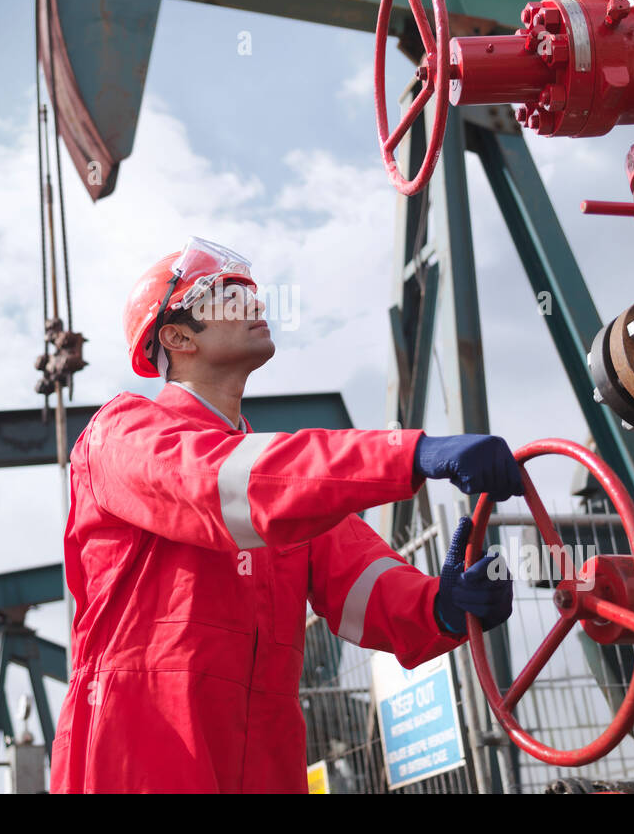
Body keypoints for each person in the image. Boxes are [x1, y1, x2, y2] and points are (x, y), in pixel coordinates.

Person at [49, 236, 522, 793]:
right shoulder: (122, 434)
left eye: (252, 293)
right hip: (142, 749)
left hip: (266, 749)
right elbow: (214, 484)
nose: (255, 305)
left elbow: (358, 581)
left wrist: (440, 607)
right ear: (175, 336)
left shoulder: (281, 485)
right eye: (226, 295)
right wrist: (406, 453)